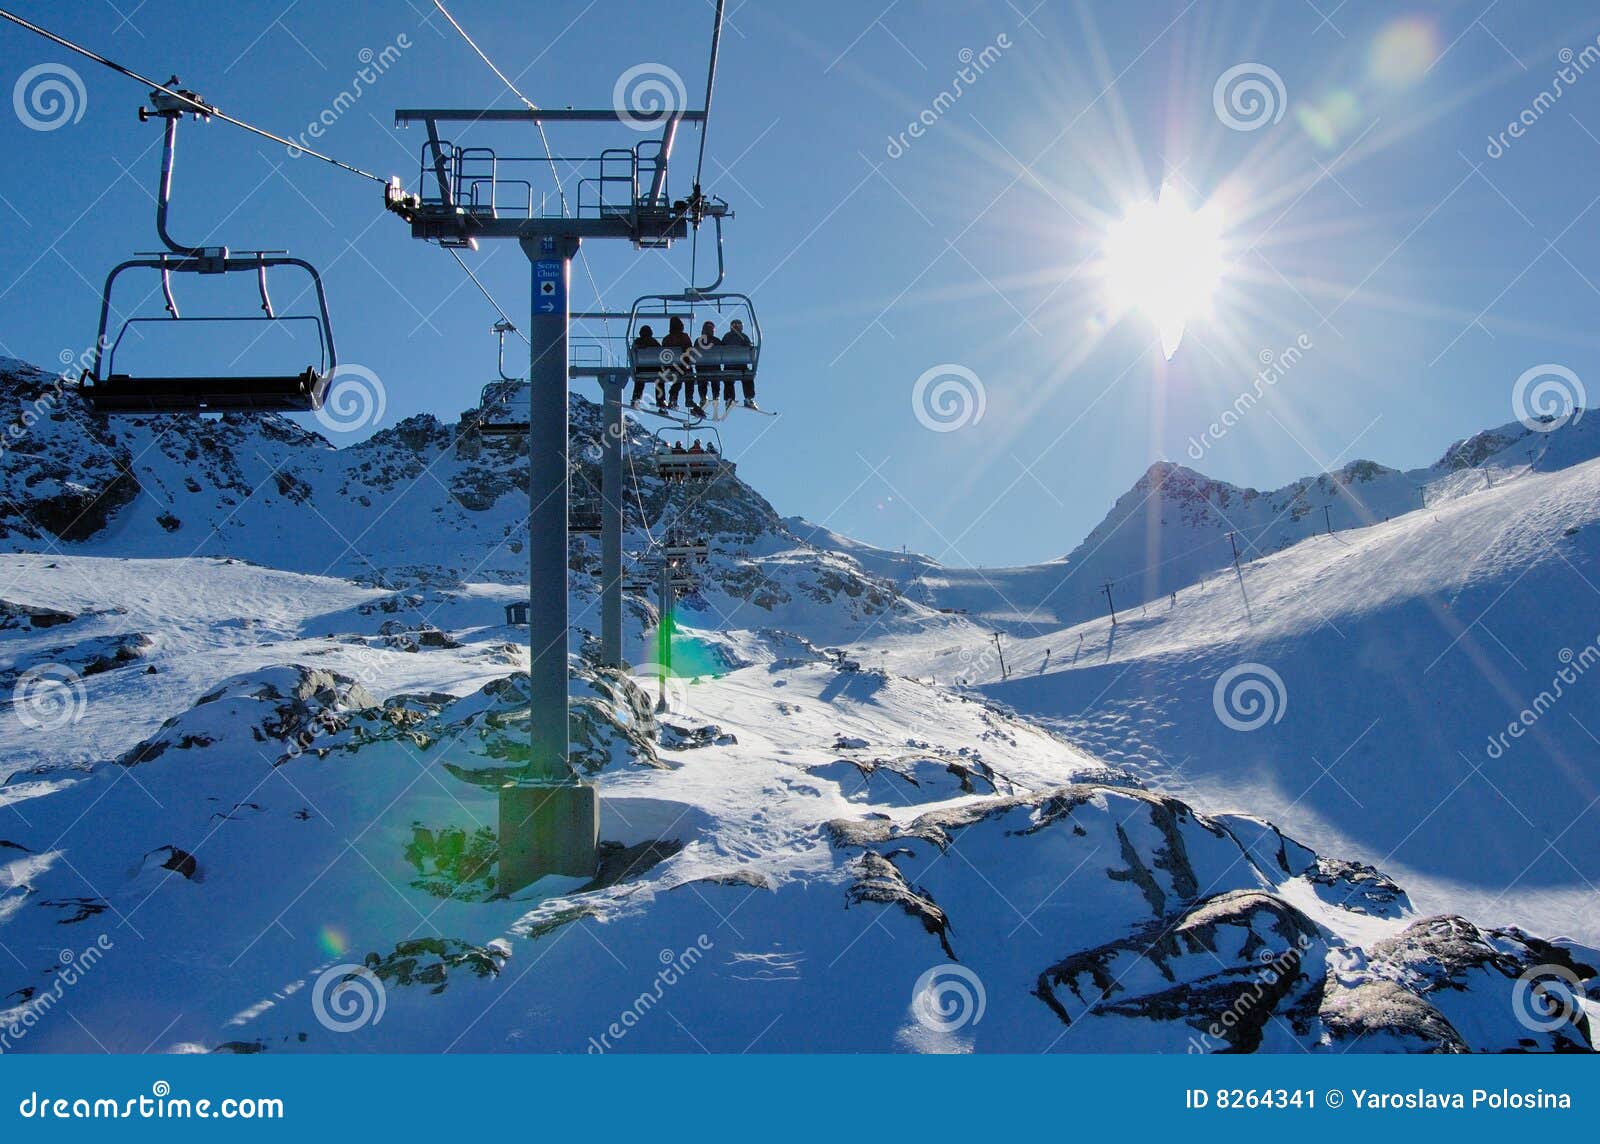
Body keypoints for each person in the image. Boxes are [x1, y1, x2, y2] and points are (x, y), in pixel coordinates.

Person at [661, 317, 699, 416]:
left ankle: (673, 397)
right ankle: (688, 398)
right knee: (688, 376)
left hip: (669, 367)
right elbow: (689, 349)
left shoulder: (666, 339)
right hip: (682, 365)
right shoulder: (684, 337)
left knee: (677, 378)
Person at [720, 318, 757, 409]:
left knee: (728, 379)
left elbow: (721, 349)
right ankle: (748, 398)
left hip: (729, 366)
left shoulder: (726, 337)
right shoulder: (744, 337)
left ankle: (729, 398)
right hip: (741, 366)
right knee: (748, 377)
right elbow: (750, 350)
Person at [630, 325, 664, 409]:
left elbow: (632, 354)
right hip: (655, 370)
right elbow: (660, 353)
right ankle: (660, 400)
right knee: (659, 381)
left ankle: (636, 399)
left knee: (639, 381)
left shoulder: (637, 342)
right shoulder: (654, 342)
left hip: (641, 369)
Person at [693, 320, 719, 411]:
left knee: (702, 382)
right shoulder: (716, 340)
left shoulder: (698, 340)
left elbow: (694, 353)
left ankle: (703, 398)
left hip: (702, 368)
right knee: (715, 381)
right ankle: (716, 396)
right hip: (714, 368)